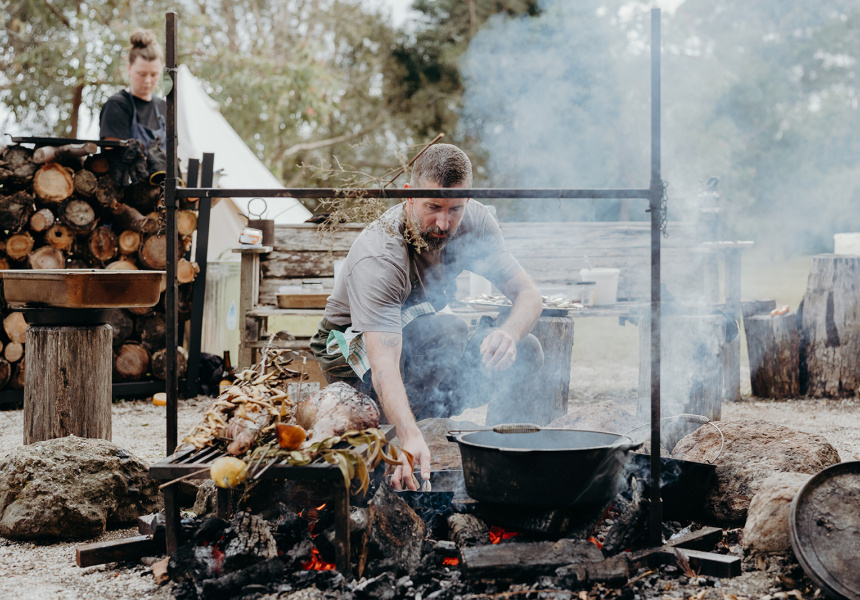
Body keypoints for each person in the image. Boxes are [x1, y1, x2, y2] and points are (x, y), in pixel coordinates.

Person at [310, 143, 545, 491]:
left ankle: (503, 456)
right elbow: (384, 362)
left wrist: (509, 334)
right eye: (432, 207)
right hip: (353, 350)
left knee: (527, 350)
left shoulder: (476, 221)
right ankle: (408, 438)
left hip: (422, 344)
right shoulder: (380, 253)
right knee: (447, 332)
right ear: (409, 196)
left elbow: (529, 295)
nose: (443, 222)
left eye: (455, 209)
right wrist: (406, 432)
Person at [99, 30, 167, 186]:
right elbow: (112, 160)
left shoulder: (164, 108)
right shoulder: (117, 106)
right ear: (129, 68)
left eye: (154, 74)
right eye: (142, 74)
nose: (148, 81)